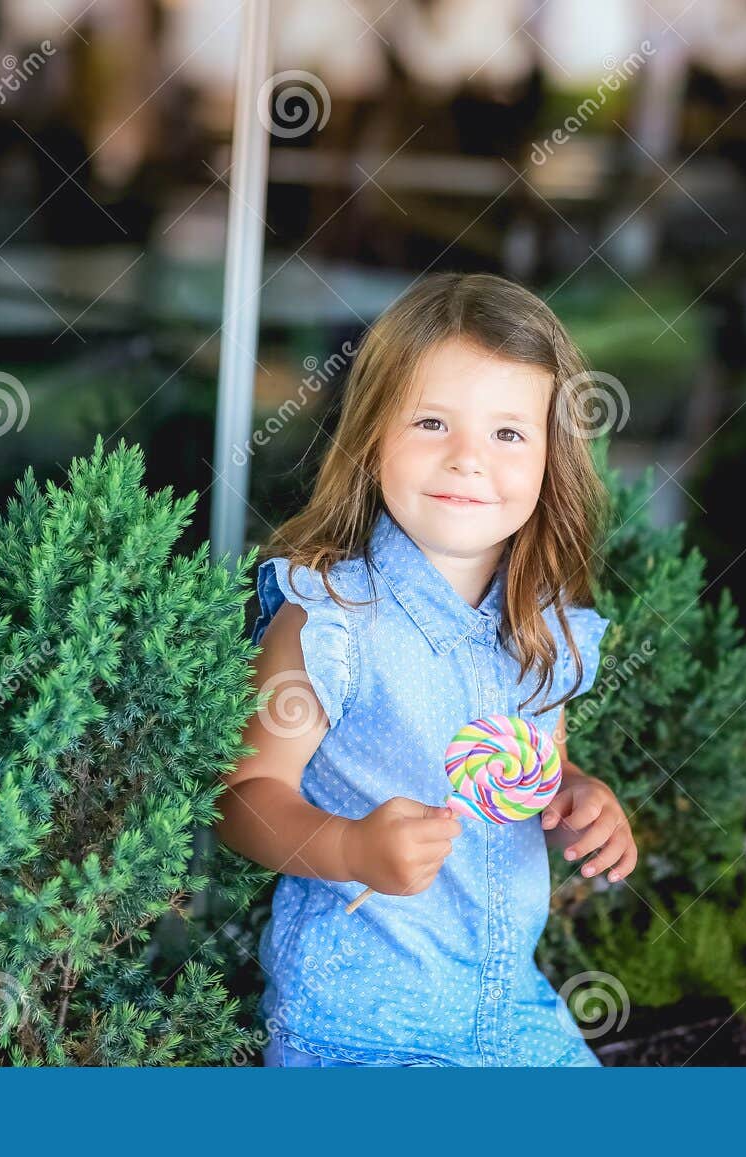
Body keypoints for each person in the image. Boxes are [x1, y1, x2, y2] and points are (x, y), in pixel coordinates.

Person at [217, 272, 637, 1068]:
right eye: (432, 422)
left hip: (509, 1010)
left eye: (508, 434)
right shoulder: (333, 616)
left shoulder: (541, 624)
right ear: (373, 436)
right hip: (360, 1026)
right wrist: (347, 847)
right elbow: (242, 797)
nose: (467, 461)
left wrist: (577, 793)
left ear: (553, 459)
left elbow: (531, 763)